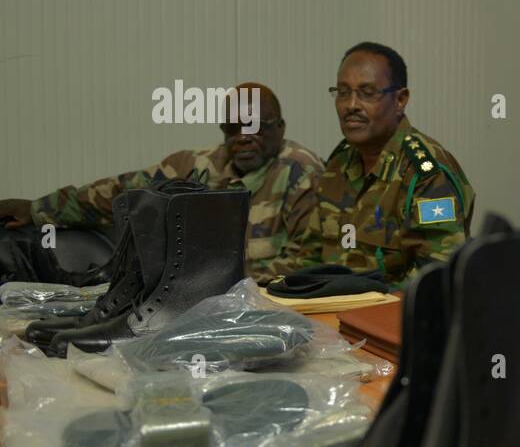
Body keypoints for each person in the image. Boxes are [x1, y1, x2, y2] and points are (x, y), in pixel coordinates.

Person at [0, 83, 322, 283]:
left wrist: (209, 279)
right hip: (187, 303)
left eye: (256, 126)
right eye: (233, 127)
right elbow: (119, 193)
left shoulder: (301, 172)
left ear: (280, 128)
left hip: (271, 309)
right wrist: (38, 209)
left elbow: (307, 265)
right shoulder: (197, 165)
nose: (243, 137)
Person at [268, 42, 475, 285]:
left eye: (367, 93)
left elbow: (436, 279)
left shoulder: (425, 173)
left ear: (400, 99)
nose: (351, 105)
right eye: (343, 92)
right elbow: (311, 258)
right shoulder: (339, 164)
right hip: (331, 313)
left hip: (390, 318)